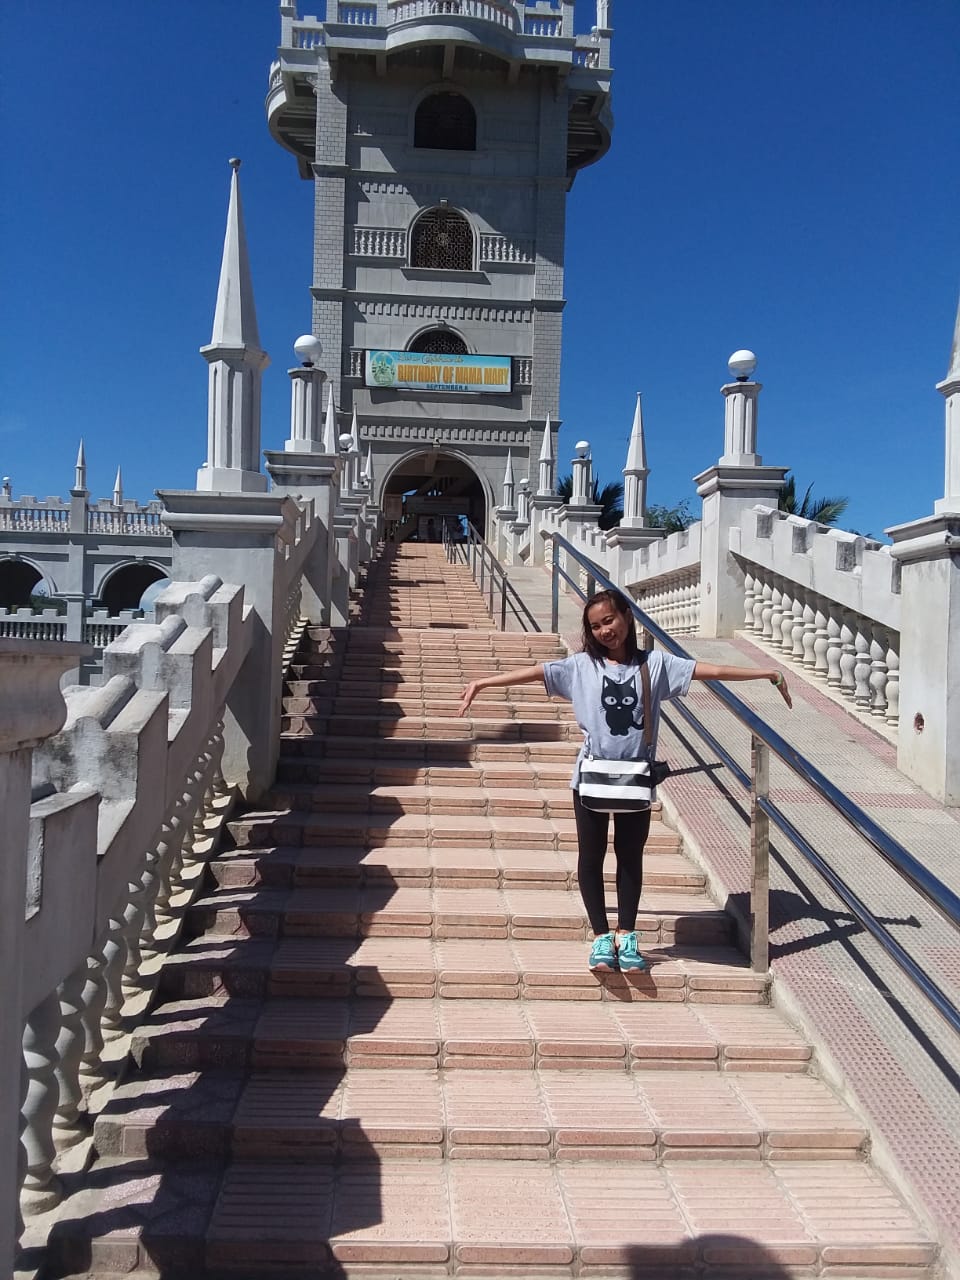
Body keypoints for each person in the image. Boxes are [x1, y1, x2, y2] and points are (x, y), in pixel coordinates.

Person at [458, 588, 793, 974]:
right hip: (591, 779)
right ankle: (602, 936)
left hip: (635, 779)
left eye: (609, 620)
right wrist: (483, 683)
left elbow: (709, 671)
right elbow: (538, 671)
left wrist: (767, 673)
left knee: (630, 858)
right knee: (591, 856)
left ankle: (626, 935)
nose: (604, 631)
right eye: (595, 626)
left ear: (626, 617)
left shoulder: (656, 666)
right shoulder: (582, 666)